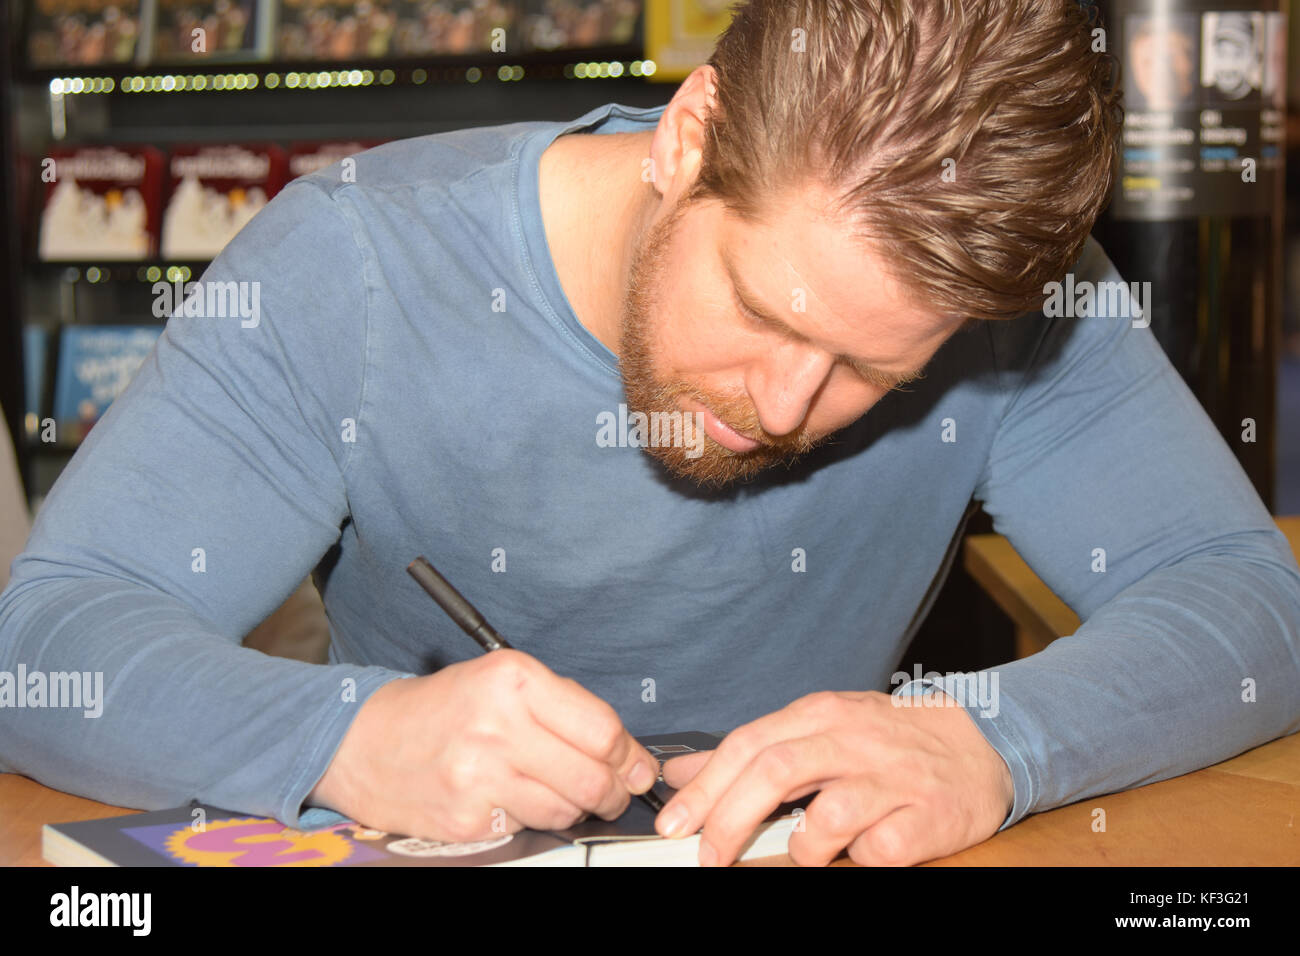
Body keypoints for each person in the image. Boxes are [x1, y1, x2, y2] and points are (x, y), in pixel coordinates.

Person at [2, 0, 1298, 868]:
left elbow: (1250, 605)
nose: (786, 410)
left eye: (876, 370)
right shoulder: (356, 264)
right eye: (760, 311)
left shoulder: (1020, 305)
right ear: (689, 136)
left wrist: (993, 739)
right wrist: (349, 735)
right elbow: (45, 646)